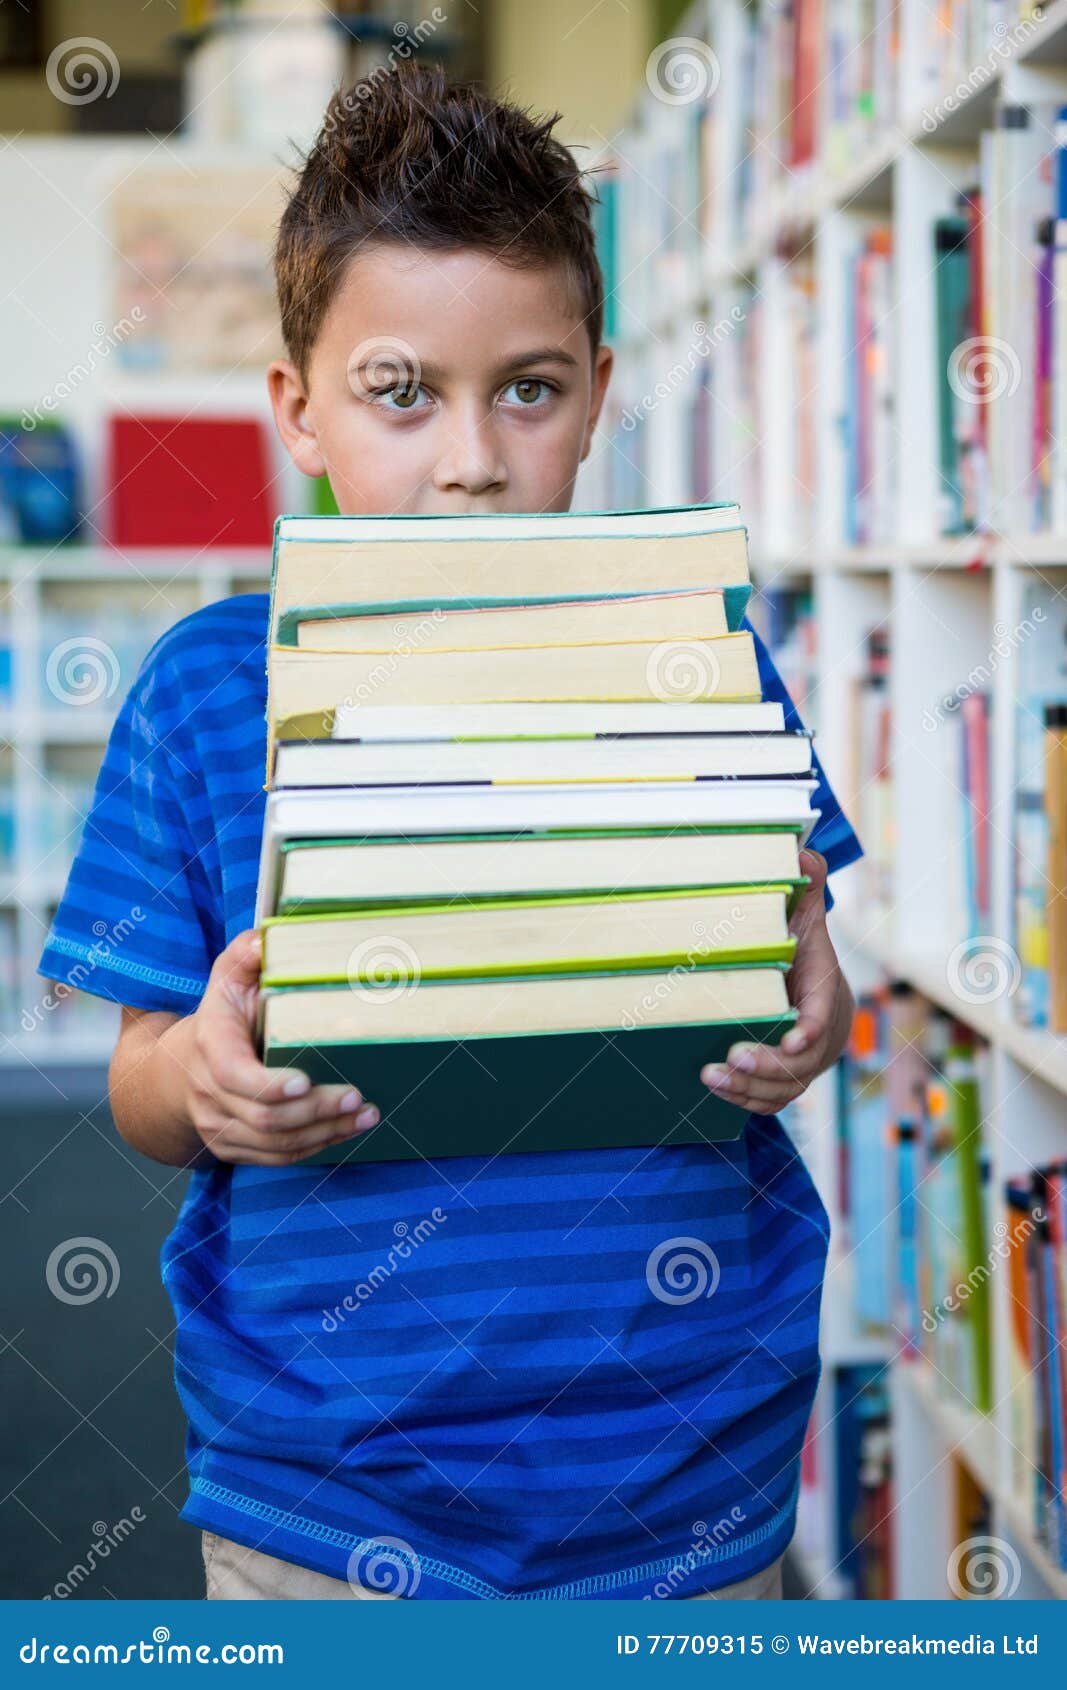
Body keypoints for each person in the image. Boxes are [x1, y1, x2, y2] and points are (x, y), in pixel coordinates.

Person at [38, 62, 861, 1602]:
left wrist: (817, 1004)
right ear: (300, 407)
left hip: (688, 1466)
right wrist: (206, 1079)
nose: (473, 456)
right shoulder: (206, 691)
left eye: (529, 389)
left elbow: (810, 974)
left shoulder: (697, 650)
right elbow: (145, 1083)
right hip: (328, 1485)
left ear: (600, 393)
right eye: (402, 392)